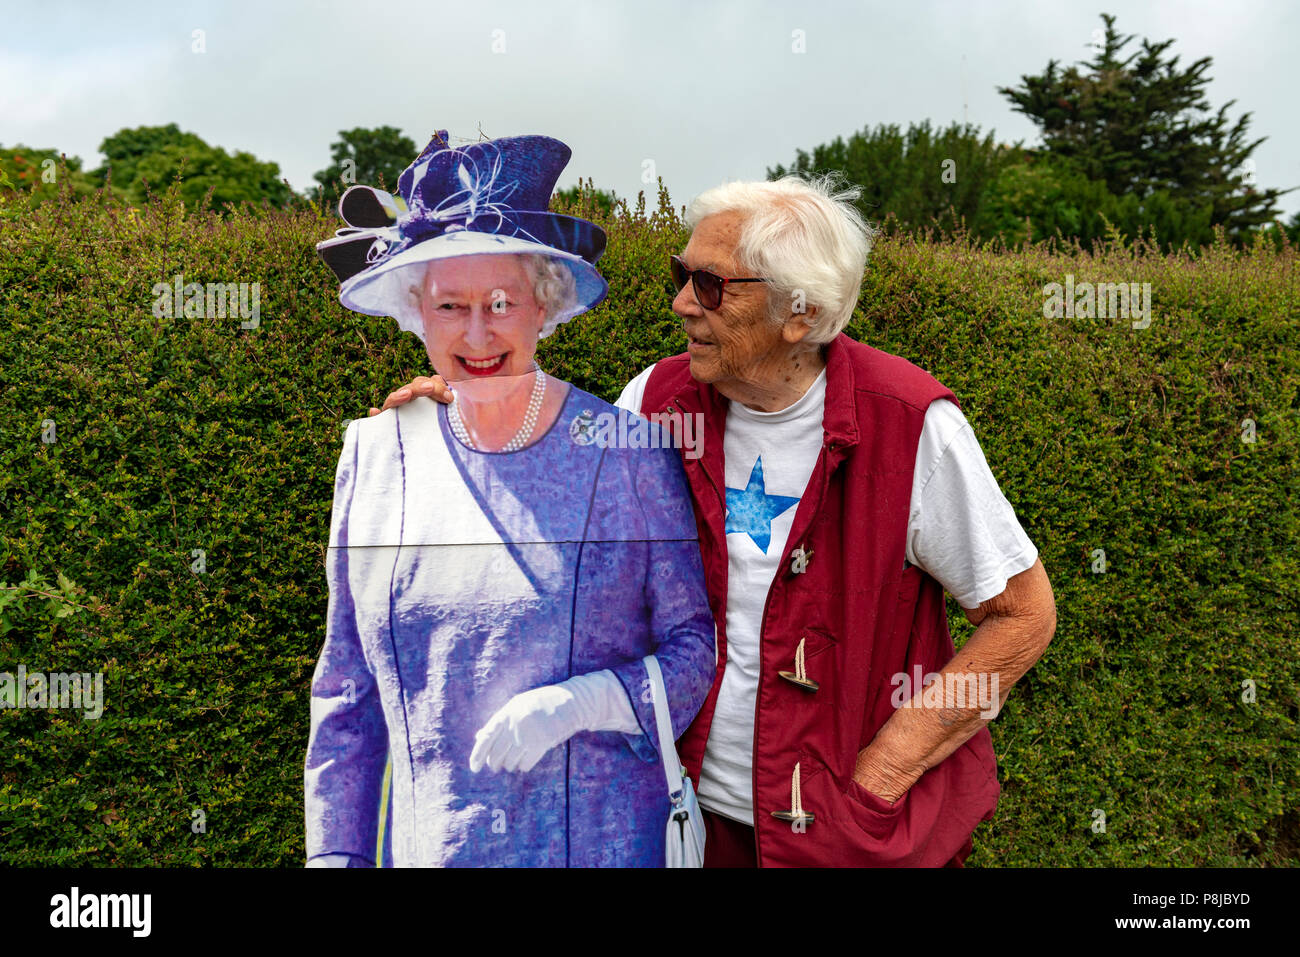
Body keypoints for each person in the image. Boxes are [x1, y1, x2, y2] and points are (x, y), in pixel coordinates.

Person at [371, 172, 1058, 867]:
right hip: (692, 824)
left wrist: (882, 775)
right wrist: (464, 419)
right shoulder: (657, 400)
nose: (679, 304)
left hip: (851, 839)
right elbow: (553, 532)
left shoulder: (911, 425)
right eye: (682, 274)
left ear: (800, 313)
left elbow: (1023, 614)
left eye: (710, 285)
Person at [304, 132, 715, 867]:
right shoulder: (372, 456)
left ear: (543, 305)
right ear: (416, 312)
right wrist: (333, 858)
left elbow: (693, 653)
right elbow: (346, 689)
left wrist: (583, 702)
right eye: (450, 305)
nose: (477, 332)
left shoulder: (624, 452)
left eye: (501, 302)